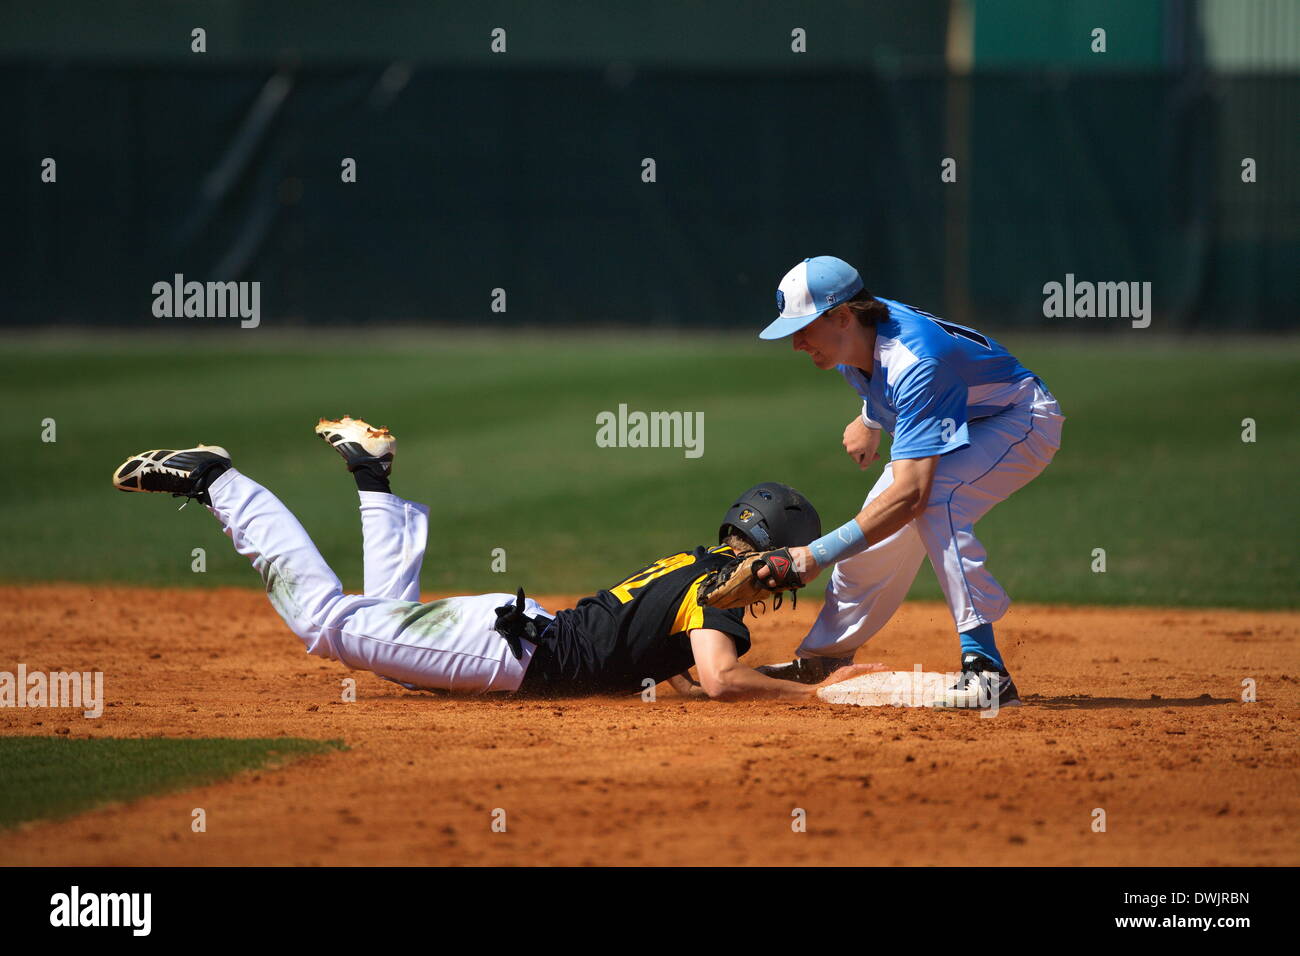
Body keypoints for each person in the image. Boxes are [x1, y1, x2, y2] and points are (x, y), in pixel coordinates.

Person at [111, 417, 859, 700]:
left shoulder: (692, 564)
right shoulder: (713, 596)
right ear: (768, 557)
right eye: (778, 576)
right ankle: (218, 481)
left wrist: (784, 670)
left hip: (515, 636)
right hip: (509, 653)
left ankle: (373, 476)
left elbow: (694, 677)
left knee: (380, 624)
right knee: (329, 626)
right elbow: (721, 681)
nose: (771, 593)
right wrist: (806, 692)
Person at [755, 256, 1065, 708]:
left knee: (936, 500)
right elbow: (884, 381)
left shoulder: (916, 361)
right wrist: (870, 420)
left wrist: (813, 555)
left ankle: (987, 670)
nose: (797, 343)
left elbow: (912, 495)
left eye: (803, 328)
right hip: (960, 416)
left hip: (1017, 421)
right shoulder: (853, 335)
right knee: (875, 527)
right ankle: (825, 659)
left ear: (842, 316)